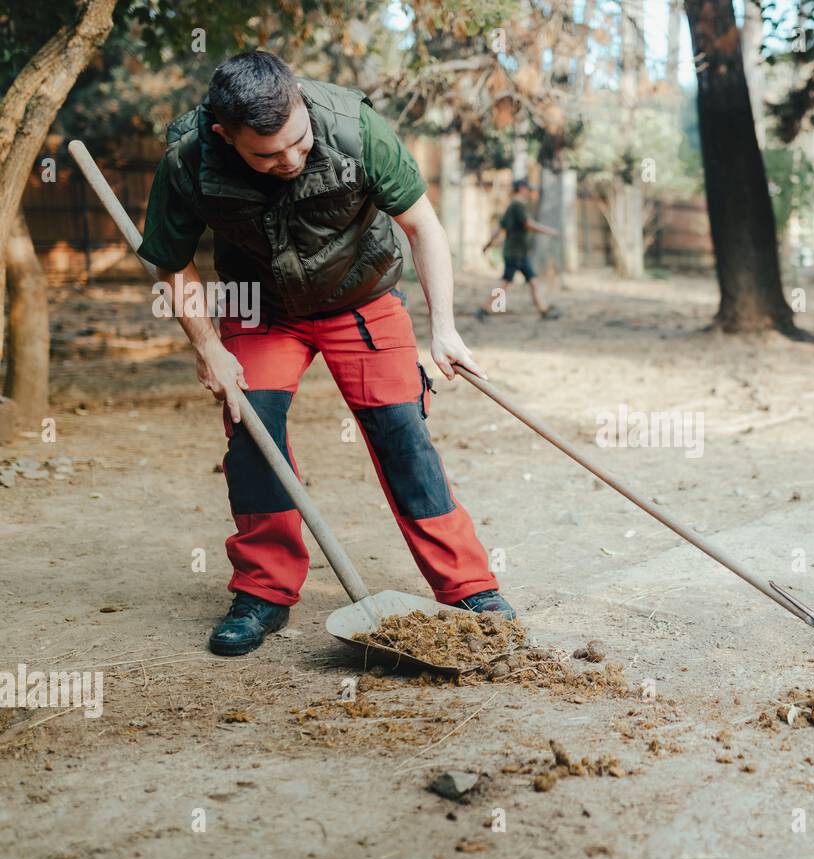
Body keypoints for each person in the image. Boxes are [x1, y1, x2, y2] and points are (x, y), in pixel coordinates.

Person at [137, 50, 514, 657]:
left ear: (301, 107)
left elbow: (423, 225)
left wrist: (443, 330)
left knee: (402, 432)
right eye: (266, 153)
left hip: (360, 297)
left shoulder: (352, 126)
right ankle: (263, 590)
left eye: (298, 142)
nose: (289, 160)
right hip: (261, 307)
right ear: (223, 135)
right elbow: (171, 260)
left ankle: (469, 587)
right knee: (251, 426)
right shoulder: (189, 158)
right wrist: (209, 349)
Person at [475, 179, 561, 321]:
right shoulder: (517, 205)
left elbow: (500, 228)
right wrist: (550, 232)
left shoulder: (512, 206)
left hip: (520, 253)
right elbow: (528, 224)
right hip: (514, 253)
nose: (529, 192)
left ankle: (543, 311)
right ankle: (484, 309)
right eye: (528, 189)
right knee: (504, 283)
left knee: (533, 281)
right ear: (522, 188)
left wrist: (488, 245)